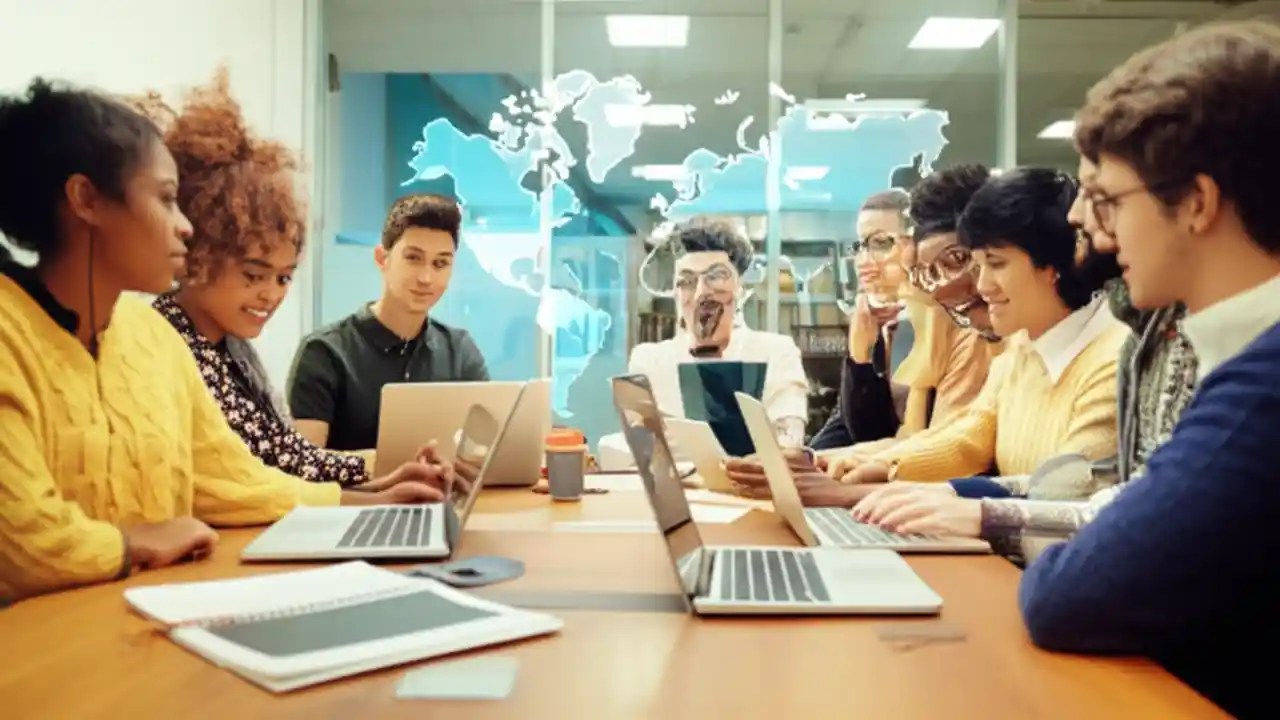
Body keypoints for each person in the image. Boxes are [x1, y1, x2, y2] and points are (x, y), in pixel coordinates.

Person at [0, 79, 441, 602]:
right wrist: (130, 543)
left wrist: (370, 504)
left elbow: (232, 479)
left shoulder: (151, 338)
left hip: (146, 619)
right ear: (86, 199)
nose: (185, 227)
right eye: (166, 200)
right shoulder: (11, 333)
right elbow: (24, 538)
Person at [1015, 22, 1280, 718]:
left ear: (1195, 202)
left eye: (1108, 200)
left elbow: (1070, 596)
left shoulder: (1266, 386)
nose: (1090, 225)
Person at [850, 156, 1198, 562]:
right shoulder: (1022, 348)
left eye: (1103, 199)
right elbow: (972, 433)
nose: (1081, 217)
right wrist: (891, 476)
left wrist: (974, 512)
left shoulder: (1124, 350)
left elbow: (1078, 497)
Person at [149, 70, 452, 488]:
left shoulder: (231, 345)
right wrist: (380, 489)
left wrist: (392, 470)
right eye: (255, 274)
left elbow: (288, 457)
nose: (271, 295)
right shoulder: (167, 342)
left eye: (284, 278)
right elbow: (243, 482)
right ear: (200, 253)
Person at [829, 167, 1127, 488]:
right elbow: (967, 438)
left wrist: (958, 498)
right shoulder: (1020, 353)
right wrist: (882, 468)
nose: (981, 284)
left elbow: (1068, 493)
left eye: (995, 264)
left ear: (1056, 260)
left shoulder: (1113, 359)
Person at [727, 166, 1005, 506]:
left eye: (881, 243)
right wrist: (814, 460)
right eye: (861, 245)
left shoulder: (973, 328)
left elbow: (945, 445)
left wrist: (840, 476)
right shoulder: (904, 327)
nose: (864, 261)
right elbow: (883, 432)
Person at [288, 193, 489, 451]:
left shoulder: (460, 350)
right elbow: (306, 472)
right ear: (383, 259)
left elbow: (484, 452)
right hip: (355, 492)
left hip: (444, 491)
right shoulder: (323, 353)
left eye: (440, 263)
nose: (426, 278)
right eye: (413, 258)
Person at [626, 217, 807, 441]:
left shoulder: (774, 352)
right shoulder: (649, 361)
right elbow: (643, 450)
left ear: (740, 288)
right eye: (687, 281)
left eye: (717, 277)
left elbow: (789, 441)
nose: (702, 292)